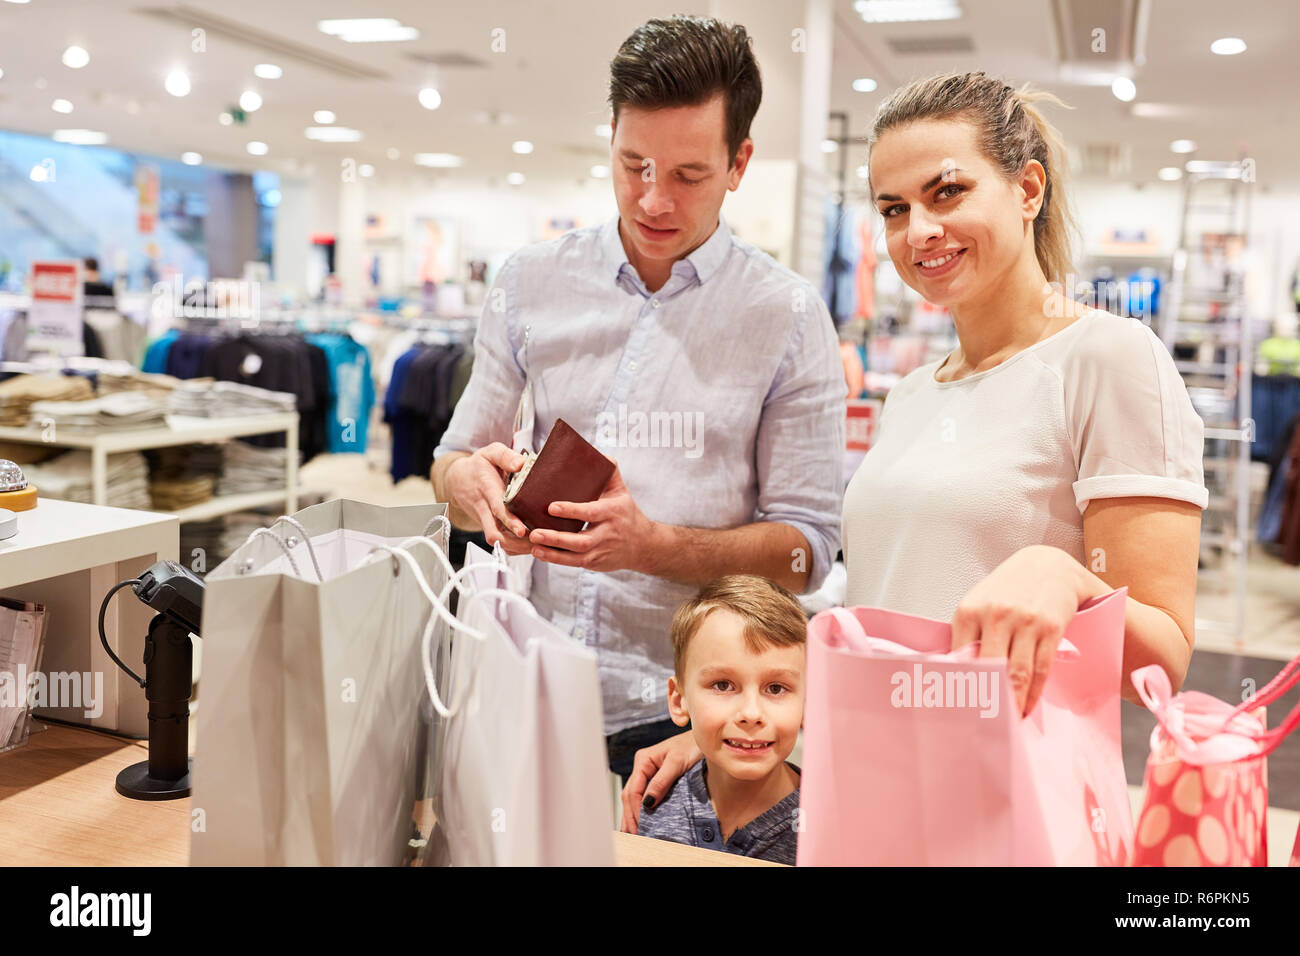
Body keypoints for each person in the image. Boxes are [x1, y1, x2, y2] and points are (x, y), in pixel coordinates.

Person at [621, 71, 1206, 834]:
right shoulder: (916, 393)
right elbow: (876, 615)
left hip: (1008, 810)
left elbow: (1164, 661)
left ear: (1028, 189)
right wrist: (722, 732)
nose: (918, 230)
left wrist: (1063, 578)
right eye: (894, 209)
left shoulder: (1110, 360)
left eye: (947, 193)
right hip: (868, 795)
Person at [430, 16, 845, 782]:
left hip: (689, 718)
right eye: (633, 164)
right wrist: (469, 487)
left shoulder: (786, 316)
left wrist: (652, 546)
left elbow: (808, 550)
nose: (653, 199)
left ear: (739, 162)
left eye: (688, 174)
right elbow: (453, 462)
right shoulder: (528, 283)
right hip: (528, 677)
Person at [637, 575, 805, 864]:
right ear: (679, 701)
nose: (751, 714)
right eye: (723, 685)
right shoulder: (656, 808)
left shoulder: (829, 824)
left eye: (776, 688)